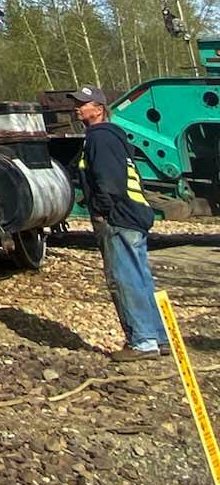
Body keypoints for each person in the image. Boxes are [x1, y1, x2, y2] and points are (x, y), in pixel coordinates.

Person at [74, 86, 166, 357]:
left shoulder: (98, 139)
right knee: (140, 277)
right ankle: (158, 337)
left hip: (119, 218)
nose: (77, 108)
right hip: (133, 214)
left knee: (124, 279)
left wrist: (103, 212)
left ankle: (142, 341)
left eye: (83, 104)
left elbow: (108, 181)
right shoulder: (114, 136)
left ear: (99, 109)